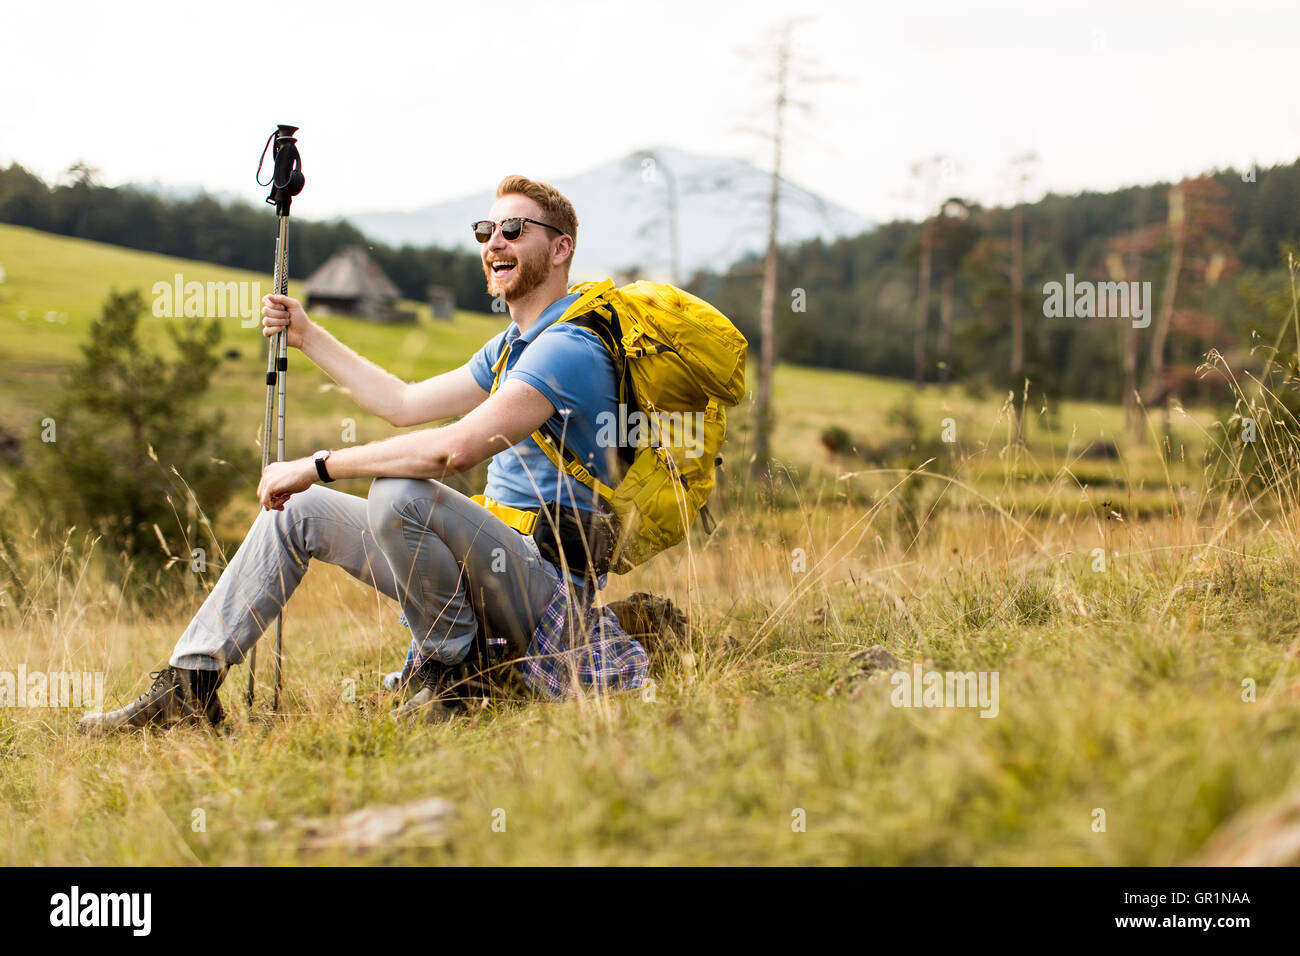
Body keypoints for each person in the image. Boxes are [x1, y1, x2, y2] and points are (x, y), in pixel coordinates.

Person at [78, 175, 648, 733]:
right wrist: (306, 335)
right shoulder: (511, 347)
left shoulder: (568, 347)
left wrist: (316, 464)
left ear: (560, 247)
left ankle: (458, 674)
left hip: (541, 589)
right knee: (297, 513)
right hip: (490, 560)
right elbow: (401, 402)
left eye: (514, 229)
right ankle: (188, 689)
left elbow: (453, 450)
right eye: (486, 231)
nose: (494, 243)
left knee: (399, 492)